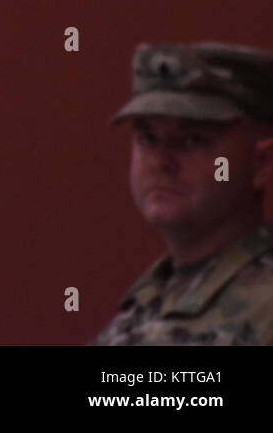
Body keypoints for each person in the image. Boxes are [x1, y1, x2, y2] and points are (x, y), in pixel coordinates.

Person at [92, 42, 273, 345]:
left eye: (192, 140)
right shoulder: (140, 309)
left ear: (263, 163)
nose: (162, 162)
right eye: (148, 138)